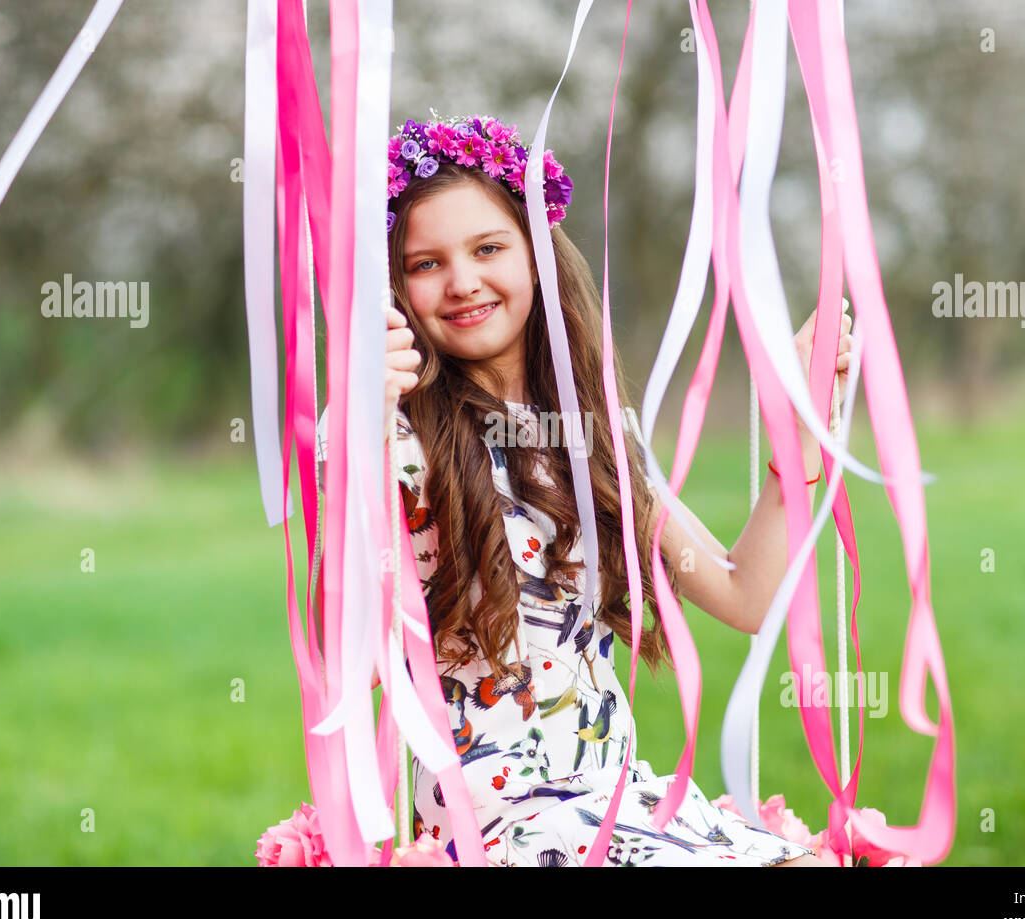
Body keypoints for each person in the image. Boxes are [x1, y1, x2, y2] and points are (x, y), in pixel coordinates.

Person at [316, 113, 852, 867]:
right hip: (503, 825)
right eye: (426, 263)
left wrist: (797, 438)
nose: (463, 280)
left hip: (616, 798)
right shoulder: (396, 441)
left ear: (537, 257)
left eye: (489, 248)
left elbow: (744, 594)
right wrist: (359, 409)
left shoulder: (589, 440)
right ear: (395, 289)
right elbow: (340, 612)